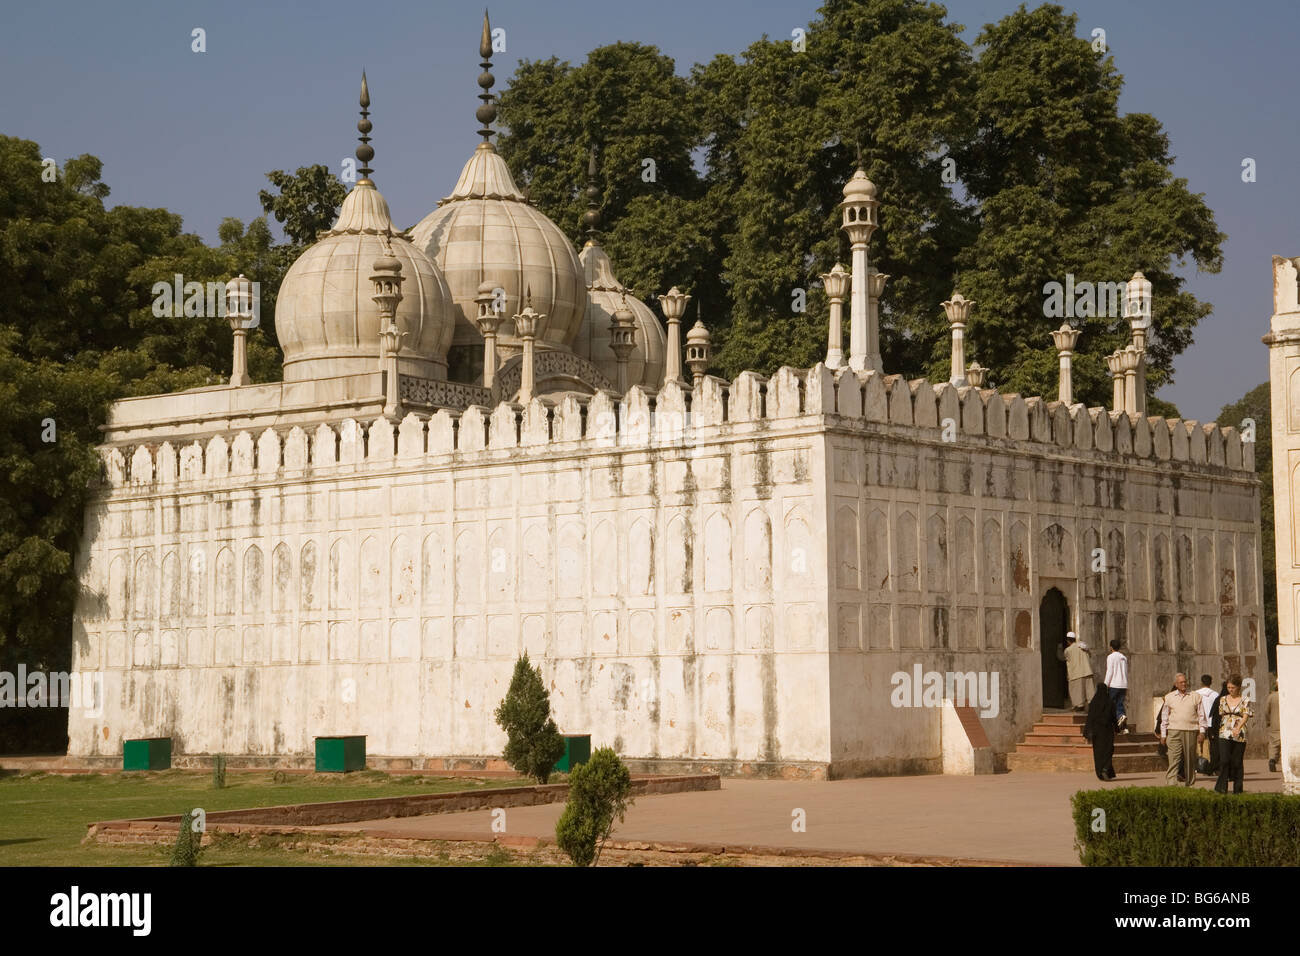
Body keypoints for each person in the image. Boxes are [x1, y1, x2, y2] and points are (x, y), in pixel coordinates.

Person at [1160, 673, 1207, 786]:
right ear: (1176, 684)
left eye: (1185, 682)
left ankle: (1190, 783)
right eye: (1181, 682)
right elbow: (1164, 717)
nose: (1184, 684)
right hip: (1174, 731)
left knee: (1190, 758)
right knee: (1173, 758)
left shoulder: (1195, 696)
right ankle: (1171, 783)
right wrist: (1163, 734)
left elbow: (1201, 715)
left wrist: (1202, 731)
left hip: (1190, 730)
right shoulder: (1169, 697)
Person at [1214, 675, 1253, 794]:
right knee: (1224, 760)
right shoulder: (1222, 699)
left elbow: (1246, 715)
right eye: (1228, 687)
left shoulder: (1245, 699)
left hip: (1239, 732)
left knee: (1237, 762)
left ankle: (1238, 788)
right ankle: (1221, 787)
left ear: (1238, 687)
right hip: (1224, 732)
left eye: (1233, 687)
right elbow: (1221, 714)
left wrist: (1238, 727)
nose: (1230, 690)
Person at [1083, 683, 1117, 780]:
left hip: (1097, 733)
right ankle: (1105, 768)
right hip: (1107, 731)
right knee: (1108, 750)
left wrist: (1087, 733)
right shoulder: (1110, 702)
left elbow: (1090, 718)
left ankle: (1100, 772)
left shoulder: (1093, 703)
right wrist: (1117, 728)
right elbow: (1114, 717)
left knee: (1098, 753)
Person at [1063, 632, 1094, 712]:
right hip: (1087, 671)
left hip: (1076, 673)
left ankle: (1079, 706)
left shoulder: (1068, 650)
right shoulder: (1083, 647)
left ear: (1068, 641)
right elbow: (1090, 654)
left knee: (1077, 692)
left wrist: (1058, 648)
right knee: (1089, 692)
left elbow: (1063, 657)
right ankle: (1091, 706)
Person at [1104, 639, 1129, 732]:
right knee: (1120, 704)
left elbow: (1109, 671)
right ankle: (1124, 727)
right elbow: (1126, 672)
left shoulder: (1111, 657)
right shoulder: (1123, 657)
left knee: (1112, 704)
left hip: (1114, 684)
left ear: (1111, 647)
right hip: (1123, 684)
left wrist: (1105, 684)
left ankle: (1118, 718)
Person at [1195, 675, 1219, 769]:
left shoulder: (1196, 694)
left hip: (1200, 722)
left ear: (1201, 682)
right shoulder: (1215, 694)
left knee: (1198, 744)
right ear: (1211, 682)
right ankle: (1209, 764)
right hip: (1211, 723)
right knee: (1211, 745)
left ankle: (1199, 765)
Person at [1266, 677, 1281, 773]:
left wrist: (1268, 721)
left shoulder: (1272, 696)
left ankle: (1272, 760)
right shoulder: (1290, 695)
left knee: (1273, 744)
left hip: (1274, 724)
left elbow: (1266, 711)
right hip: (1287, 724)